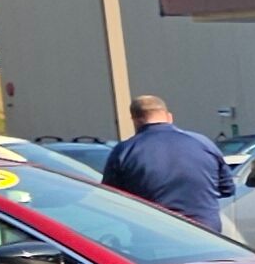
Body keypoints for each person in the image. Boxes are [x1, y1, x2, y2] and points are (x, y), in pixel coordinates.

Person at [100, 92, 233, 233]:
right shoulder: (204, 143)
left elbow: (111, 197)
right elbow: (227, 189)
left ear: (135, 120)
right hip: (206, 232)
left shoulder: (124, 151)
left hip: (155, 234)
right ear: (169, 117)